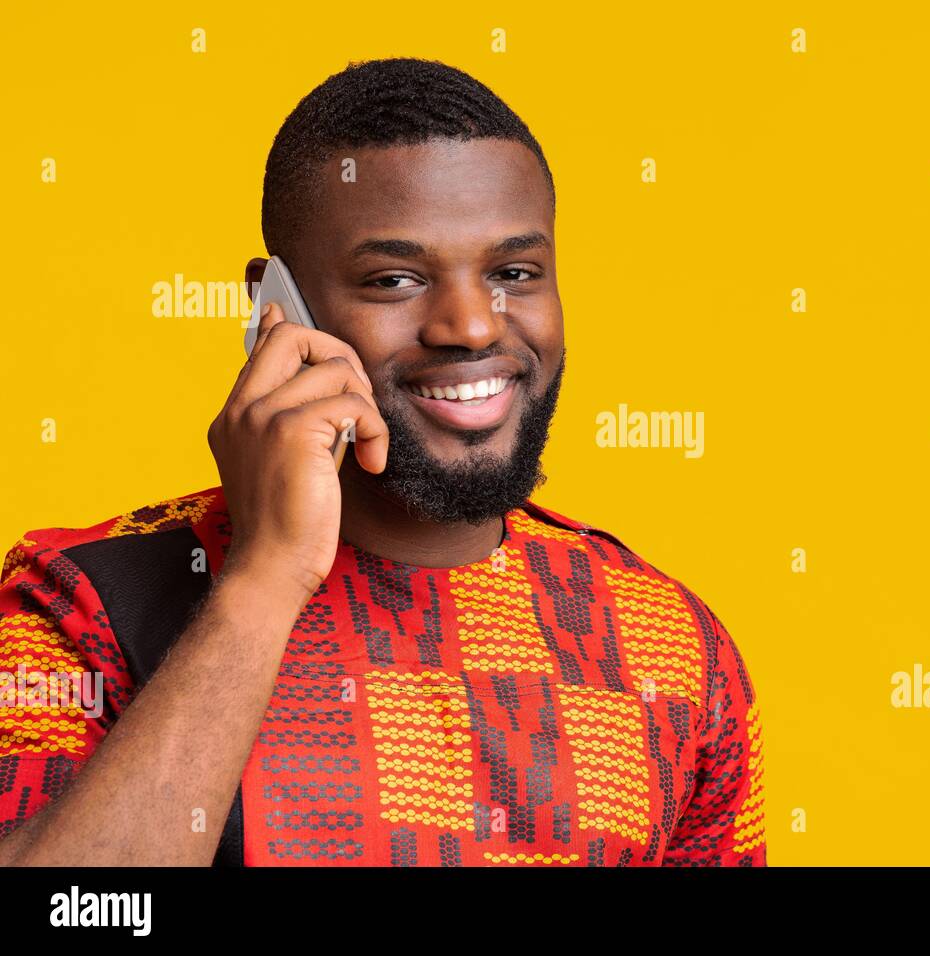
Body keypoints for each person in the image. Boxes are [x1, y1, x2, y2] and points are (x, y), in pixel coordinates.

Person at [0, 57, 766, 866]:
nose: (472, 326)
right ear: (276, 311)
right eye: (395, 279)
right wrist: (266, 579)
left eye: (513, 274)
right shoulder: (76, 605)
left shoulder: (671, 647)